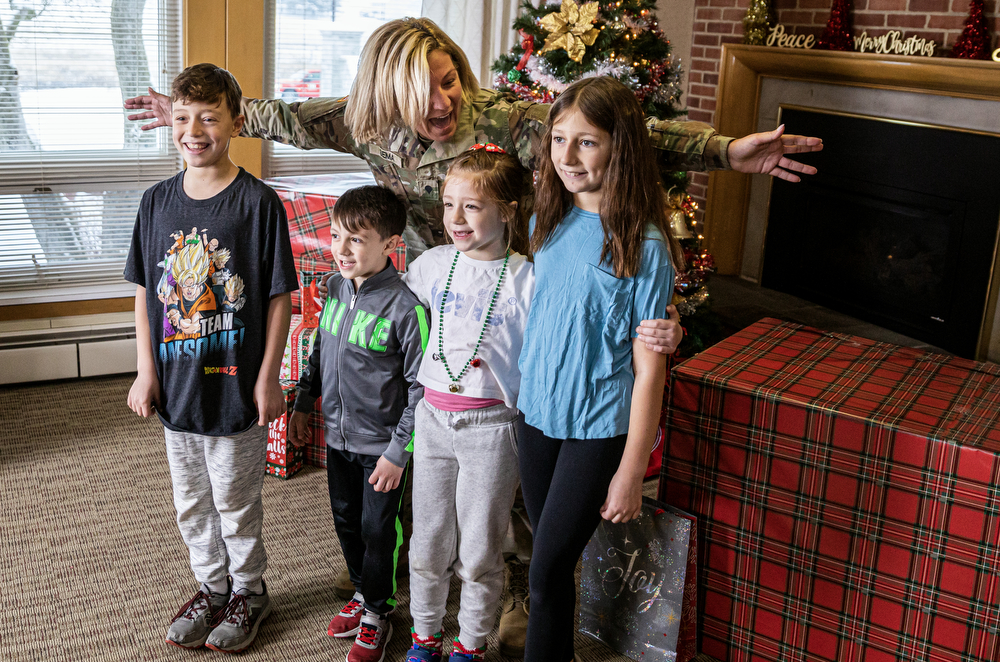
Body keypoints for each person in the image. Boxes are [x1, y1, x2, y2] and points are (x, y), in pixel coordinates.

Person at [123, 17, 816, 653]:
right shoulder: (365, 123)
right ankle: (386, 567)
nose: (441, 101)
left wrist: (727, 150)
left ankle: (518, 585)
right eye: (421, 91)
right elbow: (282, 117)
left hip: (502, 296)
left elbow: (622, 134)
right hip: (425, 297)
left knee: (499, 459)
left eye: (448, 79)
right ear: (387, 96)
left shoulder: (501, 119)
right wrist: (195, 117)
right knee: (407, 437)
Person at [124, 63, 297, 653]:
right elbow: (146, 294)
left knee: (235, 501)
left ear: (236, 122)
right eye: (182, 118)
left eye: (208, 118)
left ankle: (249, 591)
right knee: (192, 502)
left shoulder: (258, 203)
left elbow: (278, 297)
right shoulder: (155, 203)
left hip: (235, 389)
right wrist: (146, 371)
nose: (194, 131)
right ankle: (212, 587)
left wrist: (269, 378)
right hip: (177, 389)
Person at [515, 76, 681, 661]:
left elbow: (650, 371)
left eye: (586, 142)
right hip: (534, 414)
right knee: (551, 568)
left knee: (544, 571)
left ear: (619, 146)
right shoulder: (545, 222)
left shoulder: (646, 245)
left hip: (597, 426)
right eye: (559, 139)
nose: (567, 155)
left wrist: (631, 470)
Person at [402, 144, 534, 662]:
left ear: (507, 211)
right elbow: (394, 310)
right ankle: (425, 635)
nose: (455, 218)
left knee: (480, 547)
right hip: (432, 420)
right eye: (449, 204)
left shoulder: (527, 277)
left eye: (472, 207)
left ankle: (471, 644)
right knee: (428, 539)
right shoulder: (432, 264)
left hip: (492, 428)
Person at [288, 185, 427, 662]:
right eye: (335, 236)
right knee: (346, 521)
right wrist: (304, 402)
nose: (341, 250)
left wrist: (398, 452)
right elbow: (319, 350)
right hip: (338, 438)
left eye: (356, 239)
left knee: (378, 531)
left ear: (390, 244)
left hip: (382, 449)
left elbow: (421, 389)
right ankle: (363, 591)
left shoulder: (406, 308)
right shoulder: (333, 287)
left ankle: (379, 611)